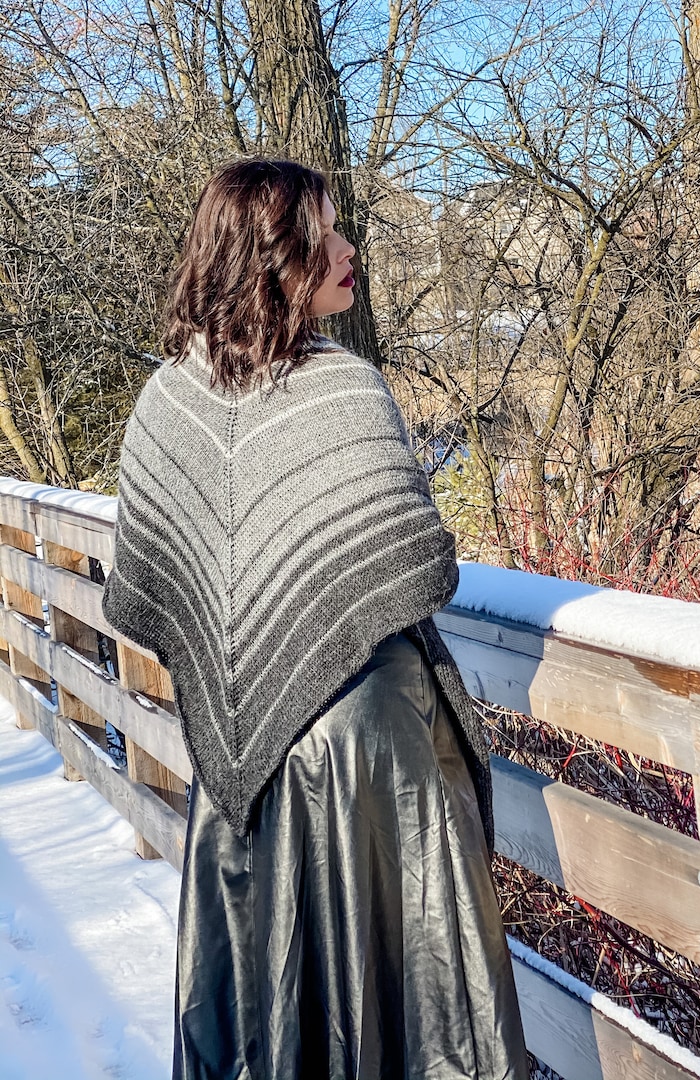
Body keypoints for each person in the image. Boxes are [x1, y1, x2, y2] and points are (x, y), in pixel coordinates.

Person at [102, 158, 529, 1080]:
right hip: (372, 756)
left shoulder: (163, 400)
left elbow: (155, 585)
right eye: (324, 234)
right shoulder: (343, 387)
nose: (347, 250)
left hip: (245, 783)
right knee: (409, 1007)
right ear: (271, 255)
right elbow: (421, 565)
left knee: (276, 1013)